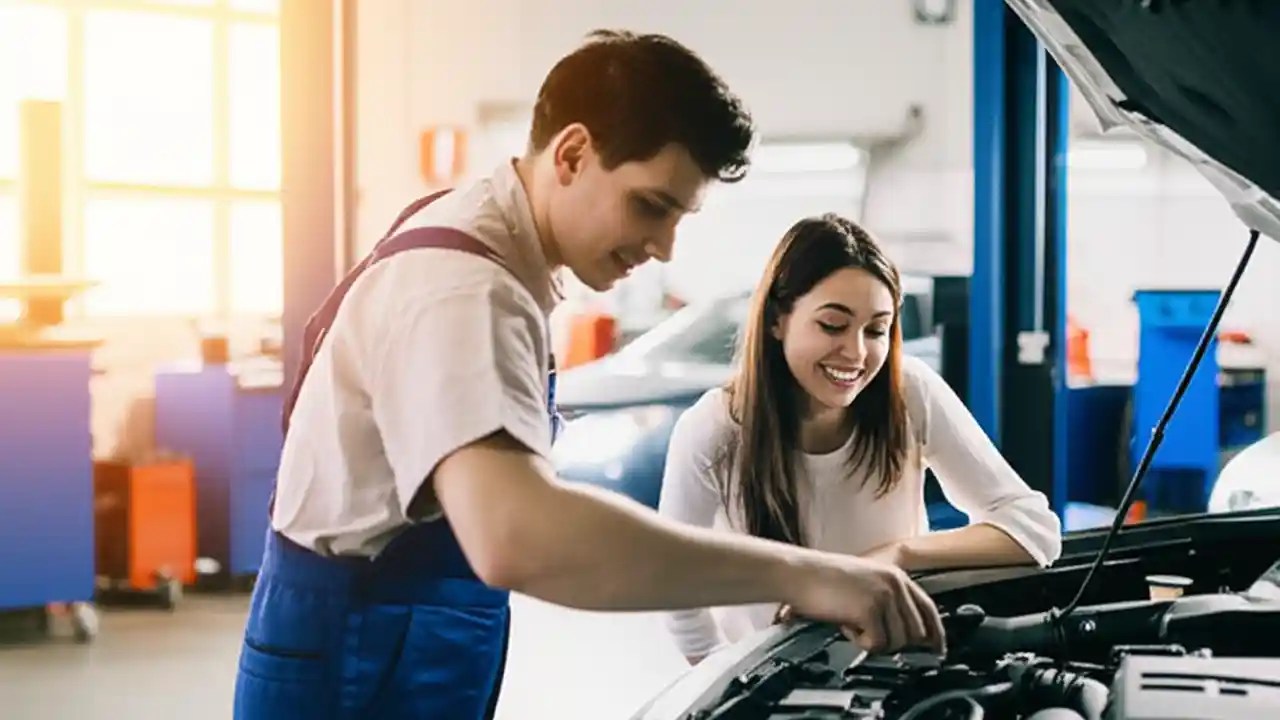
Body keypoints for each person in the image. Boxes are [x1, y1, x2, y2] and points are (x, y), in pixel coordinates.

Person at [233, 31, 945, 720]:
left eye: (679, 217)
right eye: (650, 205)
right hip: (358, 654)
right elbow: (518, 534)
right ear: (572, 153)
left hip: (393, 635)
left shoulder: (488, 243)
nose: (664, 247)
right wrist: (810, 573)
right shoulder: (467, 290)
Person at [658, 214, 1063, 665]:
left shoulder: (908, 393)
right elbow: (674, 584)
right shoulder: (715, 428)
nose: (856, 353)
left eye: (876, 330)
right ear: (777, 320)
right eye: (833, 325)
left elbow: (1035, 531)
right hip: (772, 684)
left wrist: (894, 555)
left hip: (894, 673)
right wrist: (728, 685)